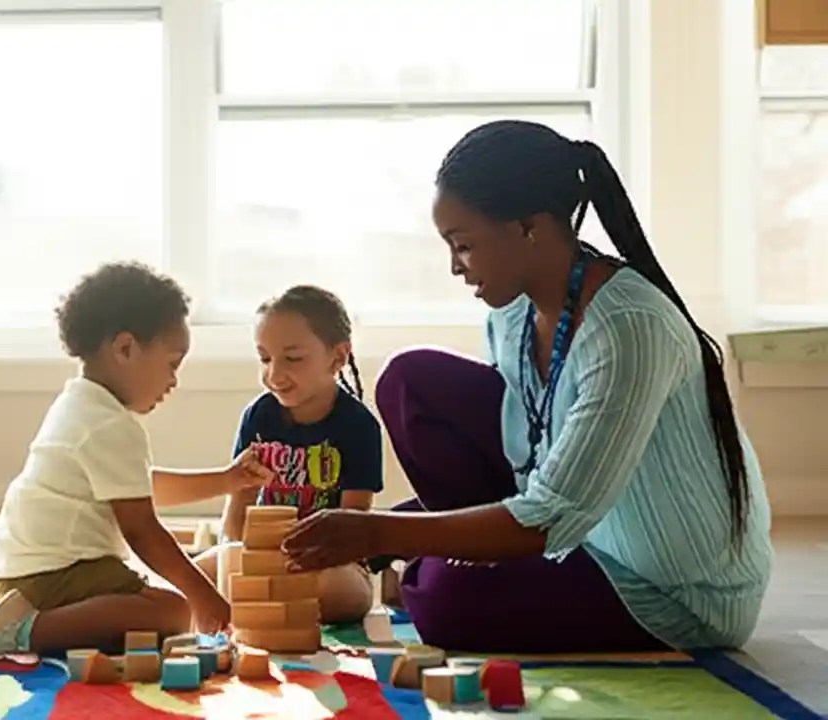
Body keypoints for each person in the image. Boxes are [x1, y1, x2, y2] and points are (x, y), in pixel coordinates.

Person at [281, 120, 773, 653]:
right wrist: (386, 530)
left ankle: (445, 563)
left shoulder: (629, 329)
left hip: (662, 586)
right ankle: (462, 550)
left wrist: (380, 534)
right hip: (578, 526)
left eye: (464, 245)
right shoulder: (512, 312)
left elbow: (552, 513)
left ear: (529, 228)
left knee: (447, 598)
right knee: (409, 382)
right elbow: (533, 453)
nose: (454, 267)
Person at [0, 262, 272, 661]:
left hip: (26, 576)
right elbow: (142, 530)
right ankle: (21, 632)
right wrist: (202, 594)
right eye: (172, 363)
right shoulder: (108, 424)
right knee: (174, 610)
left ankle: (30, 622)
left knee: (159, 605)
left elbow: (139, 488)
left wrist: (227, 480)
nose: (174, 381)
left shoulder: (80, 403)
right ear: (124, 349)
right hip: (53, 576)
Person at [194, 286, 382, 625]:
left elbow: (355, 525)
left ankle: (262, 605)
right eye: (265, 358)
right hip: (261, 555)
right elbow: (236, 512)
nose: (274, 375)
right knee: (192, 579)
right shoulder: (258, 417)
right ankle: (267, 604)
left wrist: (305, 563)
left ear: (337, 358)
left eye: (292, 359)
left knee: (348, 595)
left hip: (327, 563)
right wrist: (232, 558)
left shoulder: (358, 426)